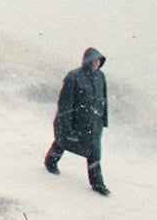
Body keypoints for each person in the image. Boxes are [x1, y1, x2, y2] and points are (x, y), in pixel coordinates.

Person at [44, 47, 111, 195]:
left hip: (94, 124)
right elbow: (65, 104)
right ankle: (51, 161)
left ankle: (97, 184)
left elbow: (103, 99)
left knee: (94, 153)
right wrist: (66, 126)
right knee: (62, 142)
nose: (97, 64)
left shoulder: (100, 77)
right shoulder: (74, 78)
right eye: (94, 61)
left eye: (99, 61)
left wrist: (103, 119)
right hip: (77, 122)